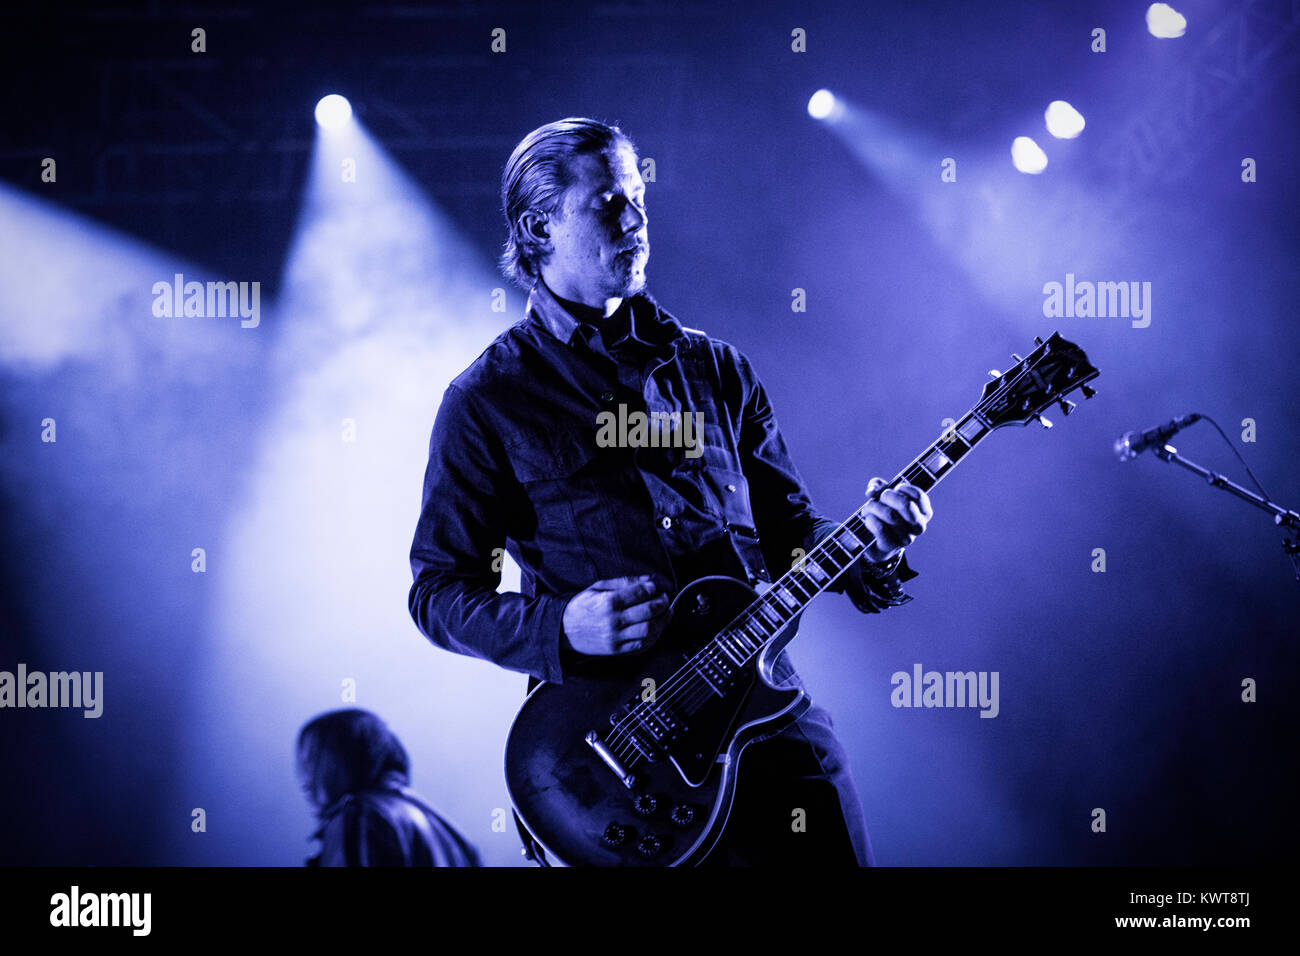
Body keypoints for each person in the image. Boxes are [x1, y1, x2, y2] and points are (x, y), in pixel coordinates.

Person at [408, 117, 933, 866]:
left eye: (639, 198)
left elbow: (792, 534)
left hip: (768, 719)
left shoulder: (717, 368)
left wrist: (868, 541)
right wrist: (560, 627)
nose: (635, 219)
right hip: (619, 763)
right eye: (607, 203)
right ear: (538, 226)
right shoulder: (487, 400)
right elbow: (437, 592)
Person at [296, 708, 481, 866]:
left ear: (339, 760)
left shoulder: (362, 815)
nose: (304, 780)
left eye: (310, 760)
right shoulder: (448, 832)